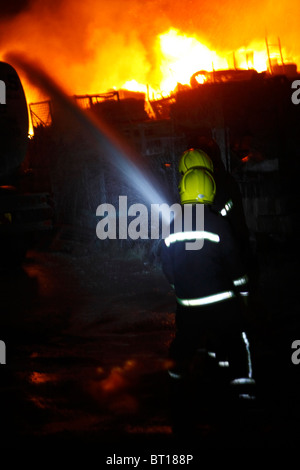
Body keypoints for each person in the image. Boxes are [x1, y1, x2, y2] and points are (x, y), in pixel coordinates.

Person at [160, 165, 255, 392]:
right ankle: (241, 387)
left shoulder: (172, 228)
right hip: (221, 303)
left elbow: (166, 265)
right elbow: (234, 264)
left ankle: (175, 386)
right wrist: (243, 292)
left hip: (188, 305)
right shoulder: (219, 224)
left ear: (183, 191)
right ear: (211, 191)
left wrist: (179, 288)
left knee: (183, 344)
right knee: (236, 339)